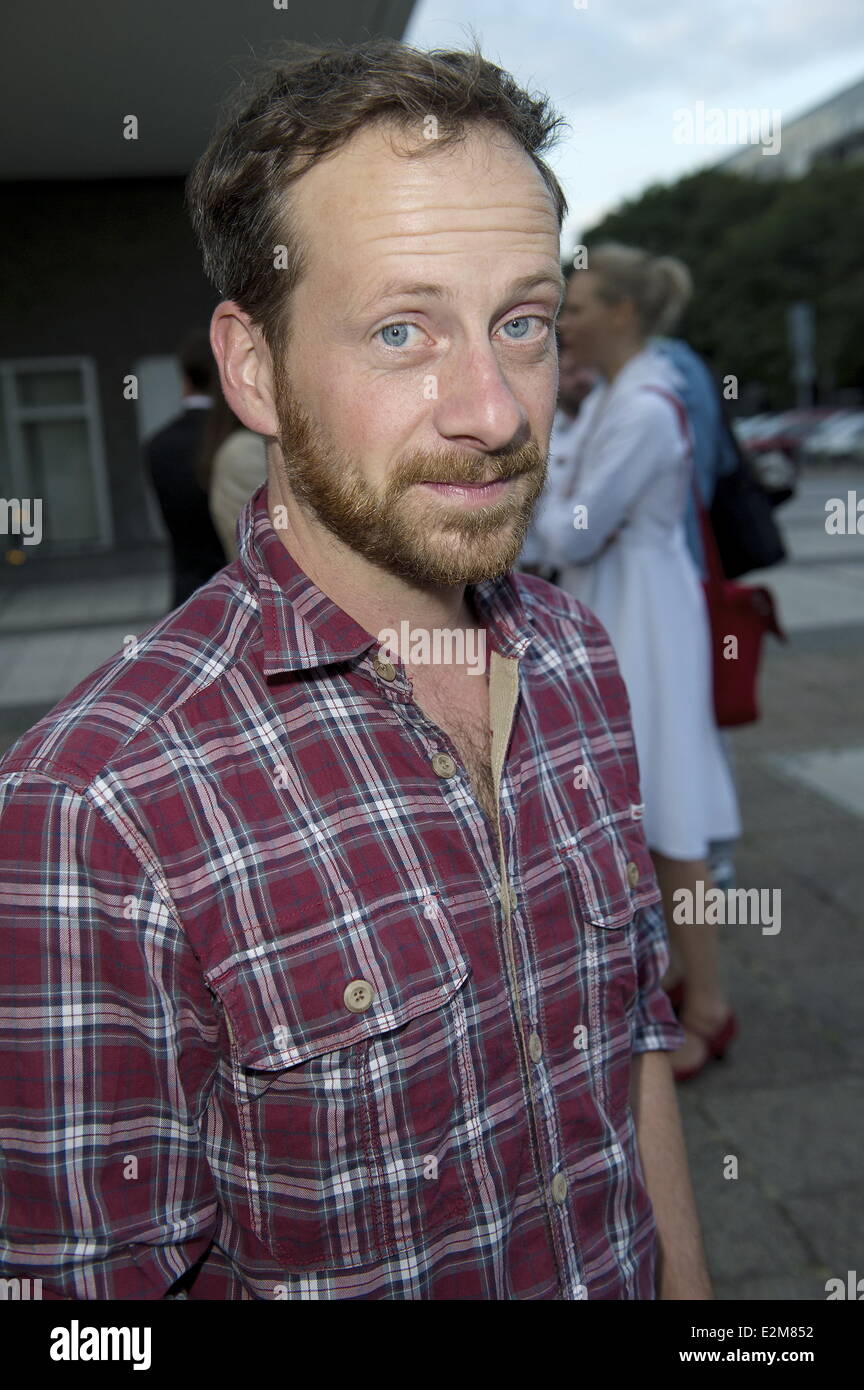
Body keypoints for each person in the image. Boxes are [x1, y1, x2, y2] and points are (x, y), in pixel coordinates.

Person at [0, 40, 711, 1300]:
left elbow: (632, 1039)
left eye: (523, 323)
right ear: (255, 368)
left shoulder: (576, 657)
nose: (493, 408)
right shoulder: (96, 812)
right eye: (401, 328)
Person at [531, 243, 741, 1083]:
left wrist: (542, 464)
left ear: (621, 312)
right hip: (629, 606)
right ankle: (673, 985)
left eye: (577, 307)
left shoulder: (647, 407)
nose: (564, 322)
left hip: (641, 616)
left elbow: (569, 531)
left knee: (667, 811)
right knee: (646, 808)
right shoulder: (622, 396)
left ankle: (710, 1005)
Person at [144, 330, 228, 607]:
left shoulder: (157, 445)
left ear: (185, 381)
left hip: (187, 596)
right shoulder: (237, 439)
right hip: (241, 597)